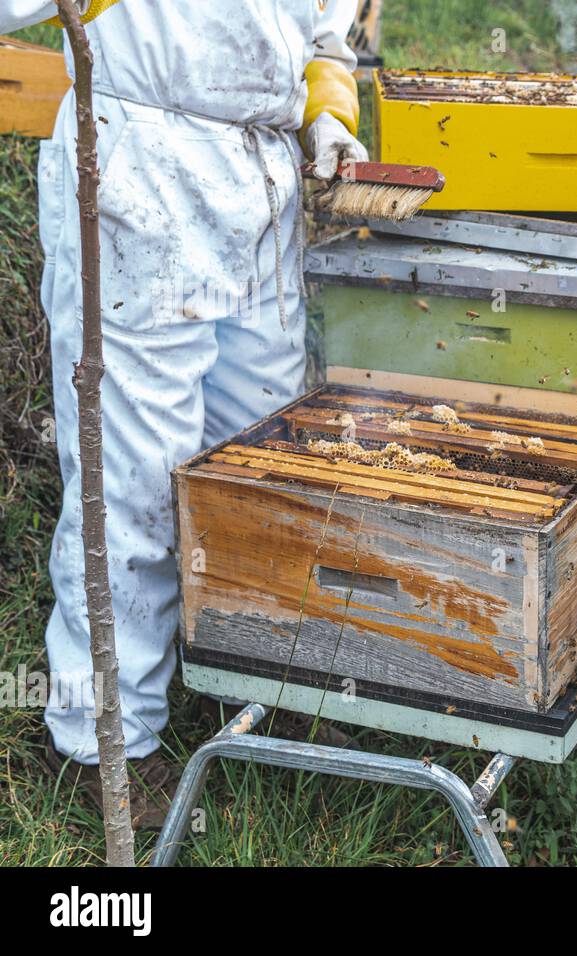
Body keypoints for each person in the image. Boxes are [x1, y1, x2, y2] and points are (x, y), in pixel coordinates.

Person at [1, 0, 368, 828]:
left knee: (256, 455)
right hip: (139, 165)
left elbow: (320, 33)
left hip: (264, 184)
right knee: (133, 473)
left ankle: (232, 683)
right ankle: (108, 746)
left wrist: (329, 119)